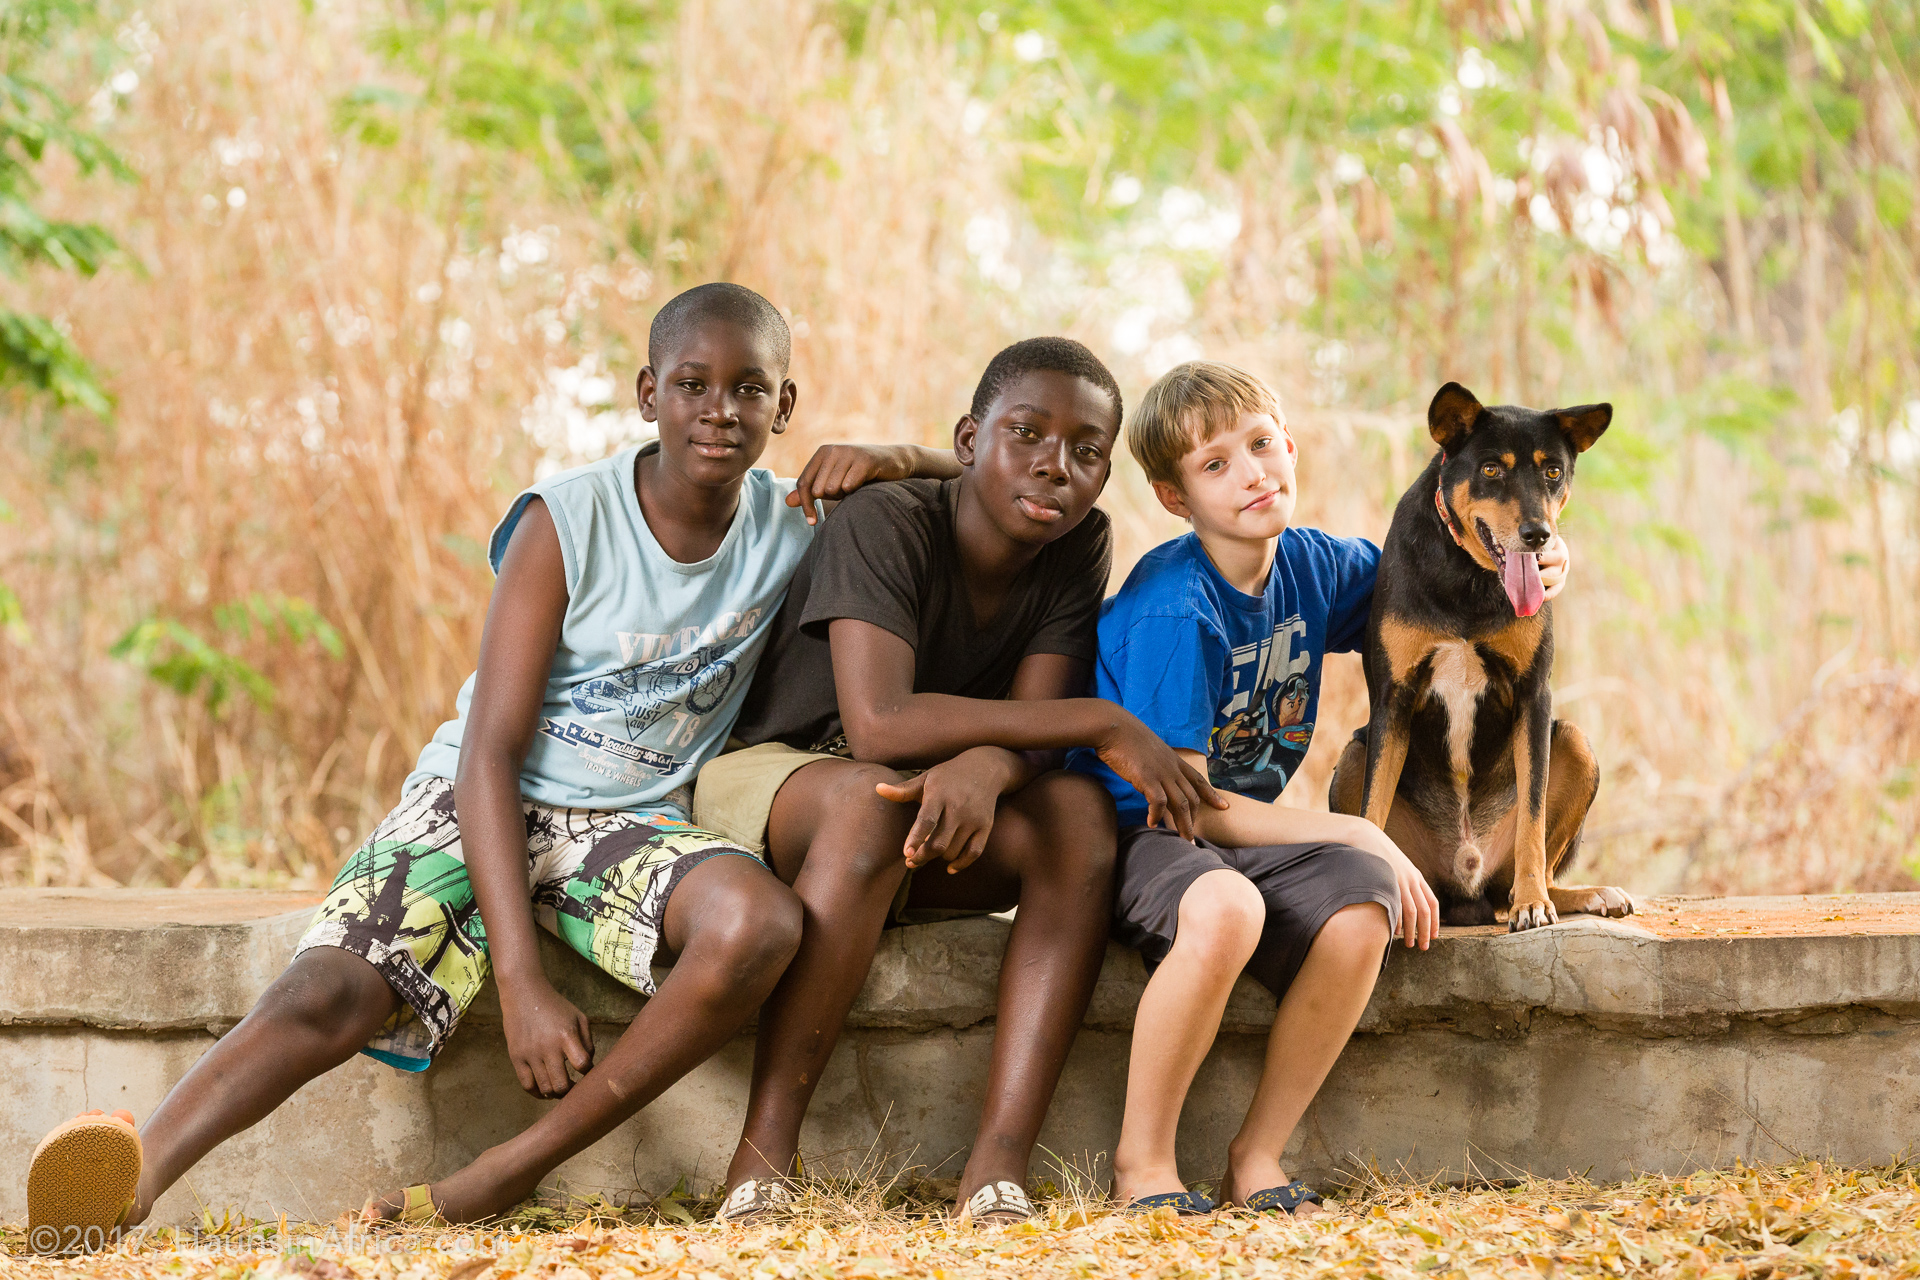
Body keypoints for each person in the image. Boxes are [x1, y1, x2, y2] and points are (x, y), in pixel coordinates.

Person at [23, 283, 962, 1246]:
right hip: (478, 797)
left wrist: (900, 455)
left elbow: (975, 485)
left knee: (757, 923)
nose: (720, 411)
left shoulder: (791, 522)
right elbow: (489, 753)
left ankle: (510, 1170)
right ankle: (134, 1173)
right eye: (692, 385)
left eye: (749, 389)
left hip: (628, 823)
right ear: (648, 393)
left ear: (784, 406)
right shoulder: (569, 519)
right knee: (331, 990)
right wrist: (520, 983)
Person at [692, 337, 1226, 1224]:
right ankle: (762, 1162)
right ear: (970, 440)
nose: (1055, 466)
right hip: (789, 776)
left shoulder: (1078, 543)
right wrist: (1102, 721)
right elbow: (879, 725)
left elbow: (1034, 719)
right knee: (872, 803)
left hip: (932, 792)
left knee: (1076, 812)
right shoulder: (885, 519)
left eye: (1087, 452)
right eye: (1028, 434)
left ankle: (996, 1169)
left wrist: (985, 764)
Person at [1068, 361, 1572, 1215]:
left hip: (1240, 835)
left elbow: (1440, 567)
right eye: (1216, 464)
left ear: (1291, 446)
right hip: (1147, 832)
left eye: (1262, 444)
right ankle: (1141, 1165)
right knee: (1231, 905)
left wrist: (1544, 552)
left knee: (1363, 907)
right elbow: (1190, 806)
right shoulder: (1173, 609)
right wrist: (1355, 828)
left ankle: (1257, 1156)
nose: (1253, 473)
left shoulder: (1315, 567)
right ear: (1174, 497)